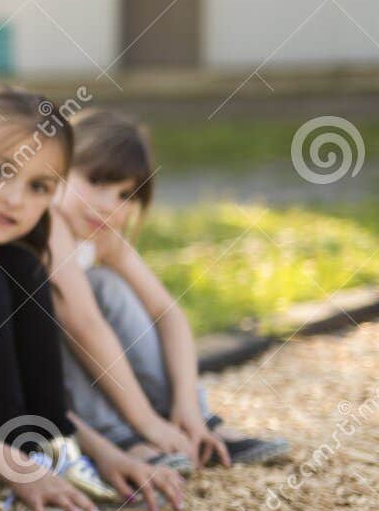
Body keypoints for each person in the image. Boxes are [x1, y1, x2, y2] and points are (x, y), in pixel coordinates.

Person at [0, 87, 186, 511]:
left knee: (18, 268)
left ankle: (51, 452)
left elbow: (21, 382)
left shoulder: (9, 251)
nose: (13, 198)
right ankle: (12, 474)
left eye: (38, 186)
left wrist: (102, 453)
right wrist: (17, 470)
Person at [49, 107, 290, 467]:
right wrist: (143, 421)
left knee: (108, 286)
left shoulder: (102, 238)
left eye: (125, 195)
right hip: (36, 377)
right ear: (57, 166)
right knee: (71, 301)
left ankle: (191, 423)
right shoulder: (48, 224)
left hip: (113, 371)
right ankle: (123, 436)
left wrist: (188, 403)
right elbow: (83, 326)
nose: (106, 206)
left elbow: (168, 313)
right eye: (96, 182)